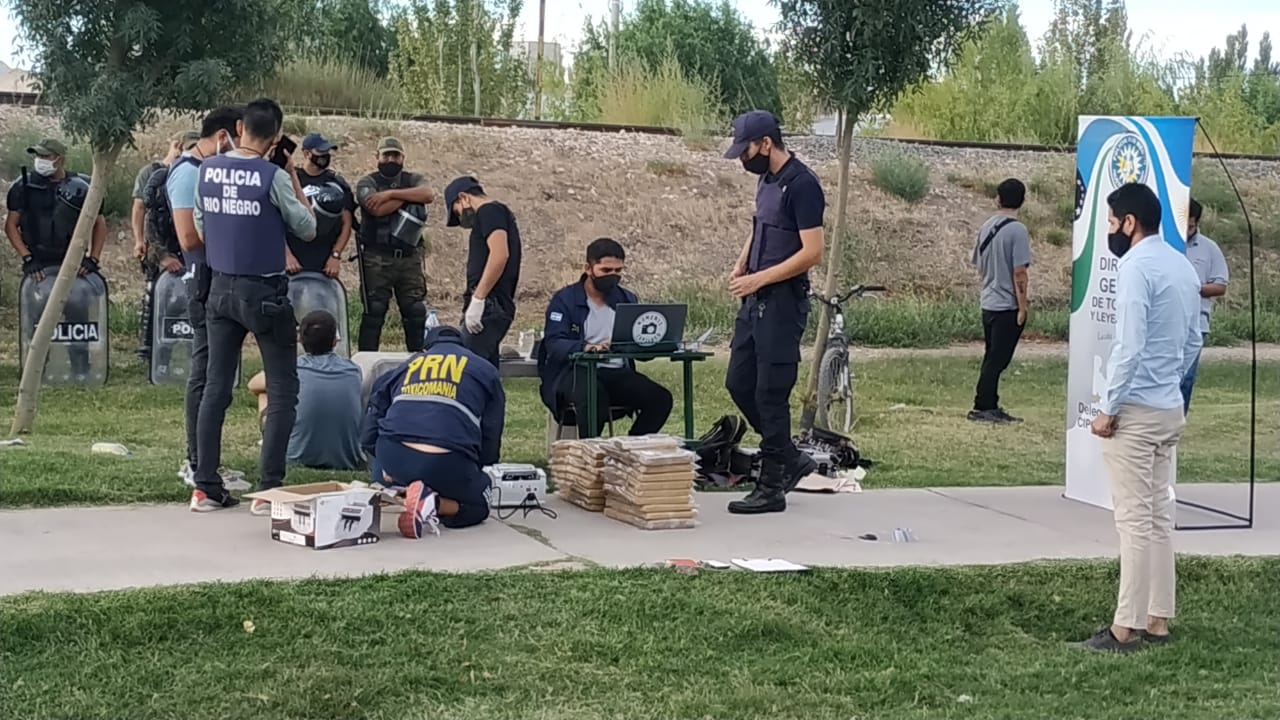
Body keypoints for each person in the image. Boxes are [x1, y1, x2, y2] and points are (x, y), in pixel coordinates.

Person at [1081, 182, 1202, 653]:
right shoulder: (1181, 264)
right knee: (1157, 518)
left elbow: (1128, 346)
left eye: (1112, 222)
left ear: (1130, 222)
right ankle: (1158, 620)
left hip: (1134, 410)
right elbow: (1193, 341)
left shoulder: (1135, 269)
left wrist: (1109, 409)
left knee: (1132, 521)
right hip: (1169, 405)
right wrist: (1169, 380)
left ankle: (1123, 628)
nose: (1111, 230)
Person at [189, 98, 317, 513]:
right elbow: (308, 228)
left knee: (215, 387)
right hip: (264, 290)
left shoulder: (206, 170)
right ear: (276, 137)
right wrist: (291, 176)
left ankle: (205, 485)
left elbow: (201, 225)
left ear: (239, 127)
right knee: (282, 390)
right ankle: (269, 489)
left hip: (219, 288)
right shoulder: (273, 176)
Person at [720, 110, 824, 515]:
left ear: (766, 143)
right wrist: (743, 262)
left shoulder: (803, 185)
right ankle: (789, 456)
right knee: (739, 382)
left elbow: (812, 252)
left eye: (745, 151)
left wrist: (761, 280)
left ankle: (772, 486)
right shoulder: (766, 181)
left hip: (782, 301)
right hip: (754, 298)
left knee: (770, 392)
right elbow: (759, 225)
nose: (743, 160)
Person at [168, 107, 249, 492]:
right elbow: (187, 237)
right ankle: (196, 460)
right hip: (202, 281)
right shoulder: (187, 174)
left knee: (218, 373)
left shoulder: (211, 171)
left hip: (221, 281)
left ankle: (207, 460)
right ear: (224, 136)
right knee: (204, 374)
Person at [361, 325, 504, 538]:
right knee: (480, 503)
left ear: (425, 350)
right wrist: (478, 467)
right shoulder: (485, 370)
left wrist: (380, 457)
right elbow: (492, 431)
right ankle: (432, 502)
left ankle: (396, 488)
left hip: (394, 456)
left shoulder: (405, 367)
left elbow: (371, 422)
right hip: (447, 461)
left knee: (389, 463)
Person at [537, 238, 673, 437]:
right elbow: (555, 344)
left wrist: (648, 344)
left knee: (660, 399)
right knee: (594, 399)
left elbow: (638, 343)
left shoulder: (627, 299)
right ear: (588, 268)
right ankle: (592, 457)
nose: (613, 276)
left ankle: (630, 449)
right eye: (606, 271)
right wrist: (586, 347)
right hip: (575, 371)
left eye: (618, 271)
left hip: (616, 372)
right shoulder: (565, 300)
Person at [5, 138, 106, 379]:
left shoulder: (83, 187)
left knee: (77, 316)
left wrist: (93, 258)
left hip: (72, 262)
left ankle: (81, 370)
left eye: (46, 156)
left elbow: (99, 224)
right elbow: (11, 226)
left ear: (59, 159)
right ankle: (35, 371)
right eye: (38, 156)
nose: (40, 161)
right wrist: (27, 258)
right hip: (40, 263)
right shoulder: (23, 186)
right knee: (37, 319)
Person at [247, 310, 364, 470]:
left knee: (265, 392)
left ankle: (271, 443)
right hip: (346, 459)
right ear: (335, 340)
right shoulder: (353, 370)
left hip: (296, 456)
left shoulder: (291, 368)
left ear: (300, 339)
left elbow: (253, 384)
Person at [354, 137, 434, 352]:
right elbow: (376, 208)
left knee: (416, 312)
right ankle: (366, 363)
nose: (391, 159)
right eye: (386, 155)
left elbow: (428, 194)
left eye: (395, 155)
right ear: (377, 157)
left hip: (409, 258)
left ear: (403, 158)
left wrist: (390, 194)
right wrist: (411, 197)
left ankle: (417, 361)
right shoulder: (367, 182)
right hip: (377, 259)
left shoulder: (413, 178)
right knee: (374, 312)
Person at [968, 178, 1032, 424]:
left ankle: (989, 402)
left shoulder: (987, 226)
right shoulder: (1018, 230)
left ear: (998, 198)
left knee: (991, 355)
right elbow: (1020, 272)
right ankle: (982, 405)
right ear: (1022, 200)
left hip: (988, 300)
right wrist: (1022, 306)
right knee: (998, 359)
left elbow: (978, 263)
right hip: (1007, 305)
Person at [132, 131, 198, 363]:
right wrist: (162, 256)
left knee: (190, 303)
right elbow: (149, 219)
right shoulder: (156, 176)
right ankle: (152, 352)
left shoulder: (201, 175)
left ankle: (192, 351)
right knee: (157, 299)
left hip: (189, 254)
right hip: (162, 251)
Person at [445, 175, 522, 368]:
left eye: (457, 212)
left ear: (463, 197)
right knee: (486, 373)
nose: (461, 218)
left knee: (468, 370)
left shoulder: (489, 211)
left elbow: (499, 254)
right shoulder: (497, 213)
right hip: (493, 305)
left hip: (489, 305)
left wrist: (478, 299)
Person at [1180, 198, 1229, 413]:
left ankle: (1177, 424)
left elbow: (1220, 285)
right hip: (1168, 320)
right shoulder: (1166, 243)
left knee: (1186, 379)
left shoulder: (1209, 248)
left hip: (1197, 322)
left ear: (1197, 223)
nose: (1186, 231)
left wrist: (1194, 288)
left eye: (1190, 227)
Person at [286, 133, 356, 276]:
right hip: (293, 258)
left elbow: (346, 224)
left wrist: (335, 256)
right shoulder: (289, 180)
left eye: (327, 152)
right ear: (307, 153)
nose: (324, 156)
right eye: (320, 152)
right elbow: (275, 221)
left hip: (324, 261)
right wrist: (286, 255)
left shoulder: (337, 184)